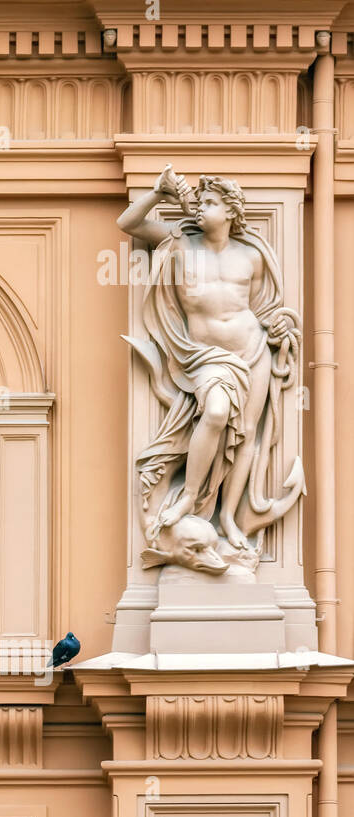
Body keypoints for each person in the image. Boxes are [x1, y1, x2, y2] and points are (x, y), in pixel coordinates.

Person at [118, 166, 299, 550]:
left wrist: (279, 327)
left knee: (247, 433)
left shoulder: (252, 256)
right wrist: (158, 193)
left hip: (252, 349)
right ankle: (190, 495)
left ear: (230, 211)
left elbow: (264, 309)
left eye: (211, 202)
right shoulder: (180, 244)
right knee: (216, 414)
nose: (201, 207)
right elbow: (128, 222)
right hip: (204, 357)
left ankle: (229, 517)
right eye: (199, 201)